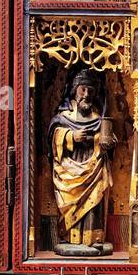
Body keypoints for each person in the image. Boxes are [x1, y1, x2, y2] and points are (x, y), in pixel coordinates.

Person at [49, 68, 118, 255]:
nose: (86, 95)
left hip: (93, 169)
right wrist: (71, 136)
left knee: (93, 205)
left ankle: (92, 239)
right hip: (69, 171)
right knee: (71, 206)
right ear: (74, 90)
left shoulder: (99, 119)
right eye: (83, 90)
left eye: (90, 90)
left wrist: (107, 143)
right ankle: (71, 238)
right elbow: (52, 138)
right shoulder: (63, 118)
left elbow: (109, 138)